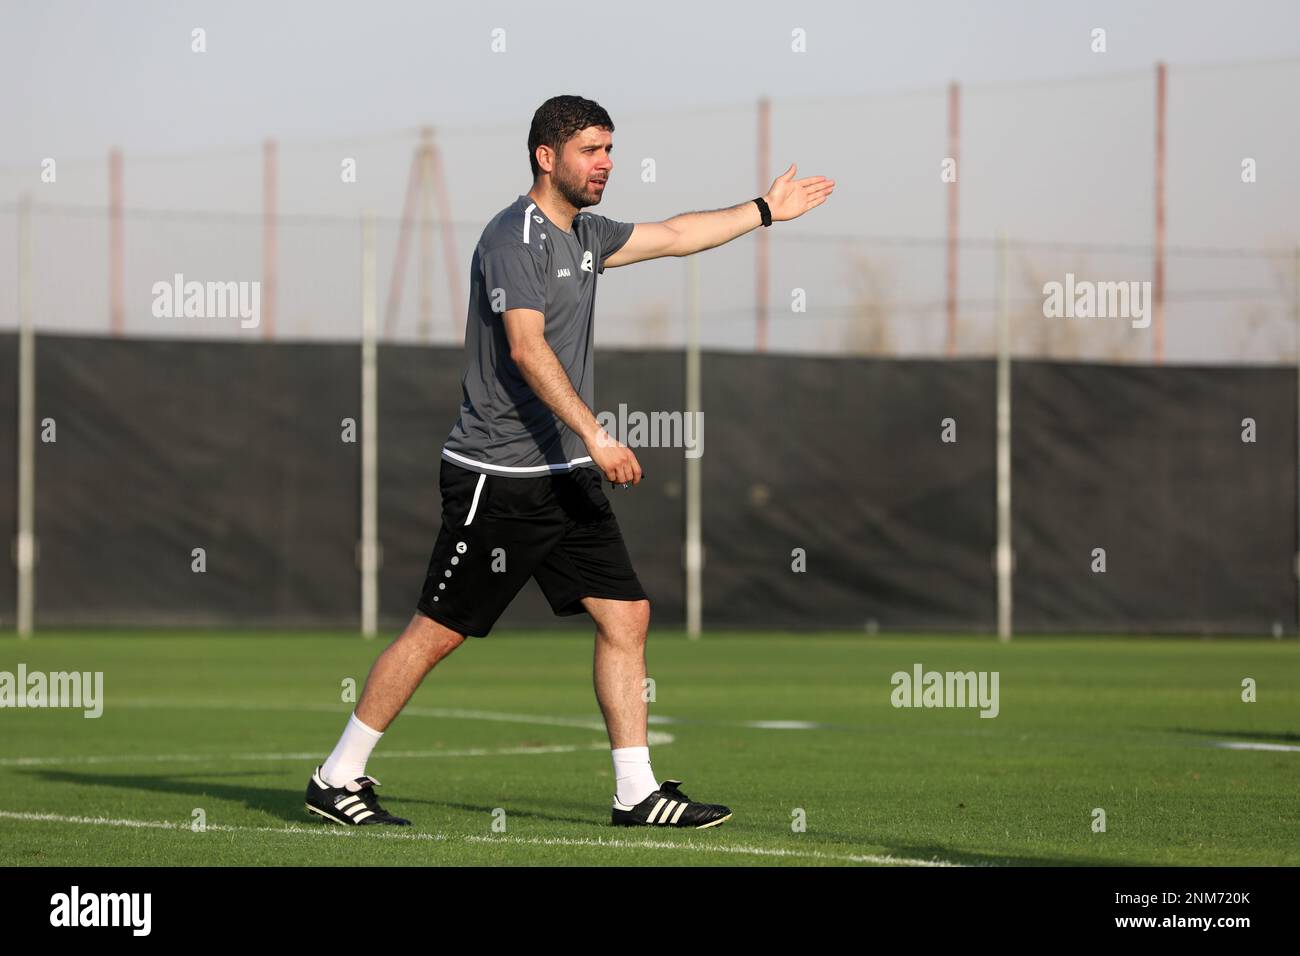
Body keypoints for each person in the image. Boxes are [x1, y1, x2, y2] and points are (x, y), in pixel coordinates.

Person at [305, 94, 834, 829]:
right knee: (438, 631)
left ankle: (635, 793)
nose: (607, 163)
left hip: (563, 475)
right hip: (500, 476)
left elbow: (678, 234)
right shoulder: (511, 239)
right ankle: (337, 776)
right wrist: (596, 432)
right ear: (546, 156)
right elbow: (527, 349)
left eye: (611, 149)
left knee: (627, 616)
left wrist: (764, 211)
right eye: (592, 149)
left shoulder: (585, 235)